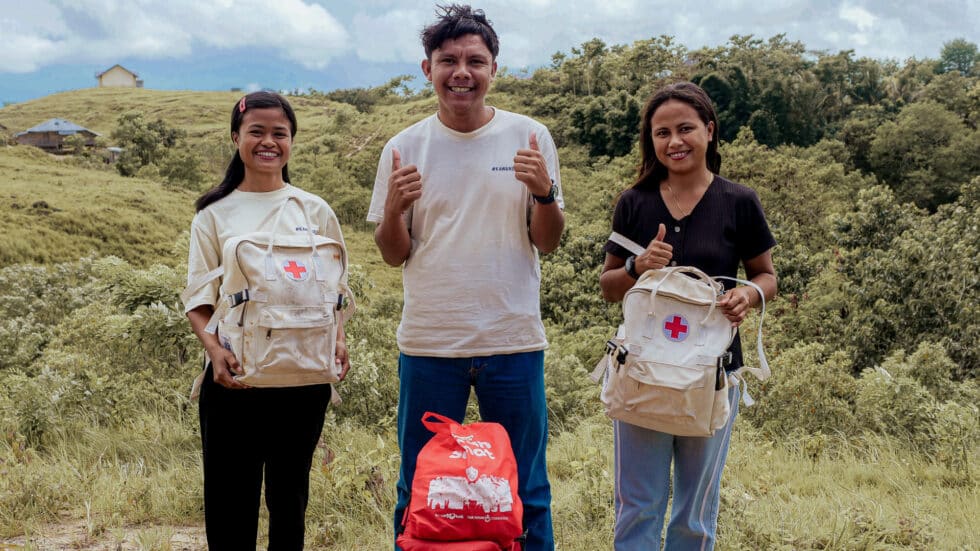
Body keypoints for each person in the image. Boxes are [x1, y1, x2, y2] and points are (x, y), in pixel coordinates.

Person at [367, 5, 564, 550]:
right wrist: (392, 210)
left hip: (513, 338)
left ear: (494, 68)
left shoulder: (529, 137)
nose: (461, 71)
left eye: (474, 60)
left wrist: (545, 192)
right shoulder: (405, 147)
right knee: (422, 484)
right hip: (430, 341)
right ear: (426, 68)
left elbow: (547, 240)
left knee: (526, 486)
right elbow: (392, 253)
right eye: (447, 60)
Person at [598, 82, 777, 550]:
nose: (674, 142)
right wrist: (640, 266)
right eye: (662, 133)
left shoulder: (739, 201)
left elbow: (766, 276)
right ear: (650, 140)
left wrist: (750, 296)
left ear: (709, 131)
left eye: (685, 129)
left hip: (713, 373)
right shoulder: (634, 203)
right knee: (637, 503)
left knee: (696, 510)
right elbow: (608, 287)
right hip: (643, 372)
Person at [182, 91, 351, 550]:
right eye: (257, 131)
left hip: (303, 379)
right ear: (237, 137)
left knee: (290, 499)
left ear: (292, 141)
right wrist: (214, 353)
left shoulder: (314, 210)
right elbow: (198, 300)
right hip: (235, 380)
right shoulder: (213, 215)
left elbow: (331, 292)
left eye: (280, 133)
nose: (268, 141)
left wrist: (338, 339)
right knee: (229, 503)